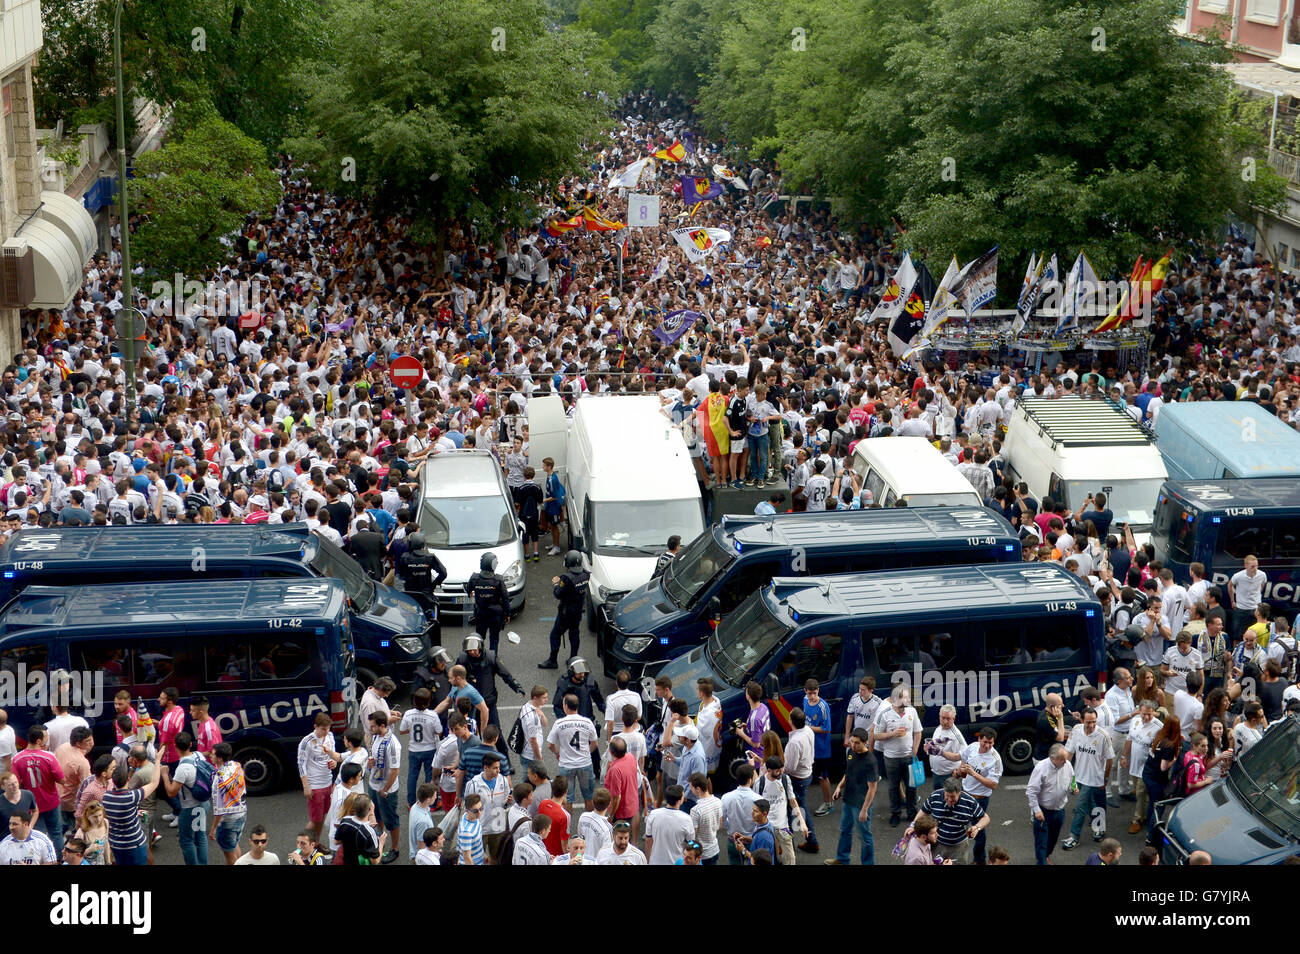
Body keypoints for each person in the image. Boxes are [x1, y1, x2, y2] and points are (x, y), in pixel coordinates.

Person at [1061, 708, 1114, 851]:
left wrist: (1106, 777)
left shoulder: (1103, 736)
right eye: (1088, 722)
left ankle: (1074, 837)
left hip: (1095, 778)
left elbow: (1110, 759)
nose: (1091, 725)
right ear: (1082, 720)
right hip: (1079, 776)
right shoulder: (1076, 731)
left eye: (1094, 722)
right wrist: (1066, 773)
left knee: (1079, 807)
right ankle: (1099, 829)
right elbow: (1069, 753)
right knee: (1093, 803)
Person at [826, 727, 879, 866]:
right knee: (845, 831)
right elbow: (848, 772)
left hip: (861, 804)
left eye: (857, 743)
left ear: (865, 743)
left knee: (865, 837)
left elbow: (872, 788)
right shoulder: (850, 752)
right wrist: (839, 787)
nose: (853, 745)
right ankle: (842, 859)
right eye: (852, 742)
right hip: (848, 800)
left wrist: (864, 809)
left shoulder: (871, 761)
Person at [911, 777, 989, 864]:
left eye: (952, 796)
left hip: (959, 847)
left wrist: (977, 827)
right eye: (947, 795)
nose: (949, 799)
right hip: (937, 844)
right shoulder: (935, 796)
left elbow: (985, 818)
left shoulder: (969, 802)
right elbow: (923, 812)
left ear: (959, 793)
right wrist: (912, 825)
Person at [160, 732, 209, 867]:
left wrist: (164, 774)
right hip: (203, 803)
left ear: (175, 746)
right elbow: (206, 754)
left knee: (186, 840)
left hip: (189, 808)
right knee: (201, 836)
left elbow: (171, 792)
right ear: (191, 744)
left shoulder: (182, 769)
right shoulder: (199, 756)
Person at [875, 685, 922, 825]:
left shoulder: (912, 712)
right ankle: (895, 813)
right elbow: (876, 735)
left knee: (911, 786)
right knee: (893, 787)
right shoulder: (885, 714)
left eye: (908, 696)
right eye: (905, 697)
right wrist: (893, 733)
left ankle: (912, 813)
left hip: (909, 757)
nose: (908, 699)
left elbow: (918, 732)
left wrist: (915, 749)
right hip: (891, 758)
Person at [12, 725, 64, 849]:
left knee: (38, 836)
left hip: (32, 806)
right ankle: (58, 859)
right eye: (45, 738)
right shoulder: (49, 757)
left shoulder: (17, 759)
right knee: (56, 833)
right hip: (51, 802)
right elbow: (62, 780)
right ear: (38, 741)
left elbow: (16, 784)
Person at [956, 727, 1002, 865]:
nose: (987, 745)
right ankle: (956, 857)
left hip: (980, 800)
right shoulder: (972, 747)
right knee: (959, 826)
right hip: (964, 794)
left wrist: (974, 774)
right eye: (985, 742)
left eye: (991, 743)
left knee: (978, 830)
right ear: (979, 739)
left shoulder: (996, 759)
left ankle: (979, 859)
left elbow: (993, 785)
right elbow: (962, 760)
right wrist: (959, 771)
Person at [548, 691, 599, 812]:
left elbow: (550, 744)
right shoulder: (587, 722)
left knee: (567, 798)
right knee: (589, 796)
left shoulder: (559, 723)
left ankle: (567, 827)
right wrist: (587, 753)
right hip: (585, 764)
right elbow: (595, 743)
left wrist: (557, 753)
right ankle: (588, 825)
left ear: (565, 706)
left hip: (566, 765)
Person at [1025, 743, 1074, 865]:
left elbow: (1072, 779)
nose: (1065, 761)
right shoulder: (1041, 768)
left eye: (1066, 758)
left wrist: (1073, 788)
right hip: (1043, 812)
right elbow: (1031, 791)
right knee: (1041, 841)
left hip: (1059, 810)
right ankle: (1042, 861)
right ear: (1052, 758)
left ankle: (1046, 856)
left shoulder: (1067, 765)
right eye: (1062, 759)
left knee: (1053, 838)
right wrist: (1036, 810)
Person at [297, 712, 340, 845]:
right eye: (323, 729)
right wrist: (306, 787)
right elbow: (301, 764)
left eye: (328, 728)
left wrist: (334, 763)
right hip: (315, 786)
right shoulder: (307, 742)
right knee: (315, 819)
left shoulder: (330, 737)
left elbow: (333, 757)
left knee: (321, 817)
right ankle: (300, 846)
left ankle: (316, 844)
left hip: (328, 783)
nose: (326, 732)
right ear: (315, 726)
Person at [541, 550, 588, 668]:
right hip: (577, 612)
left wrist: (556, 584)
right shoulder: (586, 574)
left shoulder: (566, 578)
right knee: (574, 634)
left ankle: (552, 660)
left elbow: (558, 594)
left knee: (555, 635)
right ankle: (573, 659)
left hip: (566, 614)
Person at [366, 711, 402, 864]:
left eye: (373, 726)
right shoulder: (376, 736)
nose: (370, 728)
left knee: (391, 819)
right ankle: (379, 842)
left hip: (386, 789)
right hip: (374, 784)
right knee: (376, 816)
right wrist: (370, 764)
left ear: (382, 725)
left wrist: (385, 789)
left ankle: (394, 849)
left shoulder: (393, 744)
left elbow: (395, 770)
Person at [398, 688, 443, 809]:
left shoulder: (408, 714)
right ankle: (432, 802)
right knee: (430, 776)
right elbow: (439, 732)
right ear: (428, 702)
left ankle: (411, 802)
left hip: (414, 749)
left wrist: (411, 729)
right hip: (429, 749)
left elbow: (402, 730)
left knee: (412, 776)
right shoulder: (432, 715)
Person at [1124, 700, 1162, 835]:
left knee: (1140, 792)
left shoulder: (1158, 727)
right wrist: (1124, 756)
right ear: (1139, 711)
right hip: (1134, 764)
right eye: (1143, 714)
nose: (1146, 717)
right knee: (1140, 791)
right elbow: (1130, 739)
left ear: (1154, 713)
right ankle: (1145, 815)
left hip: (1146, 767)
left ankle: (1137, 820)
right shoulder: (1135, 720)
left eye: (1149, 715)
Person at [465, 751, 511, 862]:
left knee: (496, 859)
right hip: (481, 829)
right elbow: (468, 807)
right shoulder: (474, 784)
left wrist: (507, 802)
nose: (498, 771)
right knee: (478, 859)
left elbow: (504, 804)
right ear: (486, 767)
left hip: (497, 829)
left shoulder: (503, 781)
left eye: (499, 767)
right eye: (495, 768)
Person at [210, 742, 248, 865]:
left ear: (220, 758)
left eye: (213, 754)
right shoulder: (236, 765)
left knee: (229, 854)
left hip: (229, 819)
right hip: (241, 813)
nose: (210, 755)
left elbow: (219, 810)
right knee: (234, 844)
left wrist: (213, 829)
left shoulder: (218, 781)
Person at [397, 531, 448, 621]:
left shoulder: (404, 557)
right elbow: (443, 573)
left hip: (410, 595)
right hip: (426, 595)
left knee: (408, 619)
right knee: (431, 618)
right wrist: (433, 585)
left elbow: (401, 574)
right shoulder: (430, 557)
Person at [466, 552, 510, 654]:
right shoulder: (498, 580)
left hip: (481, 614)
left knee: (479, 638)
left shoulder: (474, 578)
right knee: (494, 639)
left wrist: (470, 593)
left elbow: (468, 590)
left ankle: (478, 657)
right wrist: (508, 614)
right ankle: (492, 660)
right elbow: (505, 598)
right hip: (495, 615)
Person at [645, 784, 695, 864]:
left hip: (655, 862)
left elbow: (648, 840)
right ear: (679, 800)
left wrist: (647, 861)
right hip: (676, 862)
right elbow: (691, 843)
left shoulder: (653, 814)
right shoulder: (687, 819)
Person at [604, 738, 641, 842]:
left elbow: (617, 796)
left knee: (620, 840)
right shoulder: (631, 757)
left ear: (611, 752)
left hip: (621, 812)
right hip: (632, 803)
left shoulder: (615, 770)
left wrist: (611, 815)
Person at [736, 799, 776, 865]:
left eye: (756, 811)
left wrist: (743, 850)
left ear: (764, 814)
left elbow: (760, 861)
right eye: (752, 810)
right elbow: (758, 840)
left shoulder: (765, 837)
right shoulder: (761, 824)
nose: (752, 813)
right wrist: (745, 838)